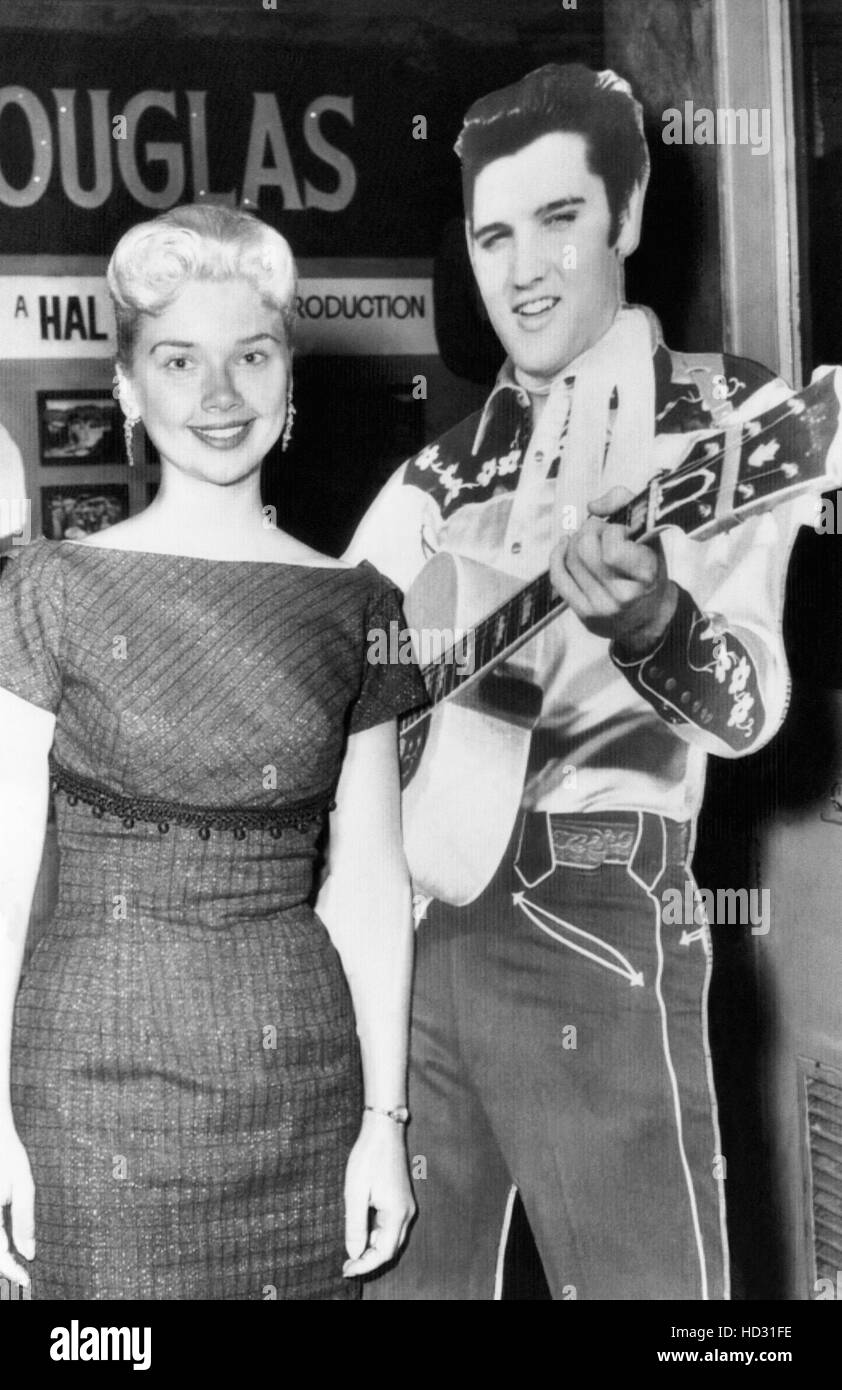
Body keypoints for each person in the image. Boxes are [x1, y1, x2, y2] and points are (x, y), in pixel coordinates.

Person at [346, 64, 812, 1300]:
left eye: (558, 218)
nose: (523, 268)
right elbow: (320, 687)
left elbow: (749, 709)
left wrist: (656, 621)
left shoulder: (724, 422)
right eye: (494, 234)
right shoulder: (433, 482)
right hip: (406, 932)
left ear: (629, 212)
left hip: (592, 916)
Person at [0, 203, 423, 1300]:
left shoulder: (360, 605)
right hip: (93, 1096)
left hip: (302, 1098)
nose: (219, 395)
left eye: (251, 355)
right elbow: (1, 880)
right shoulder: (50, 589)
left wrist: (384, 1122)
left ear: (290, 380)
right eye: (179, 361)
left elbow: (372, 883)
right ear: (129, 390)